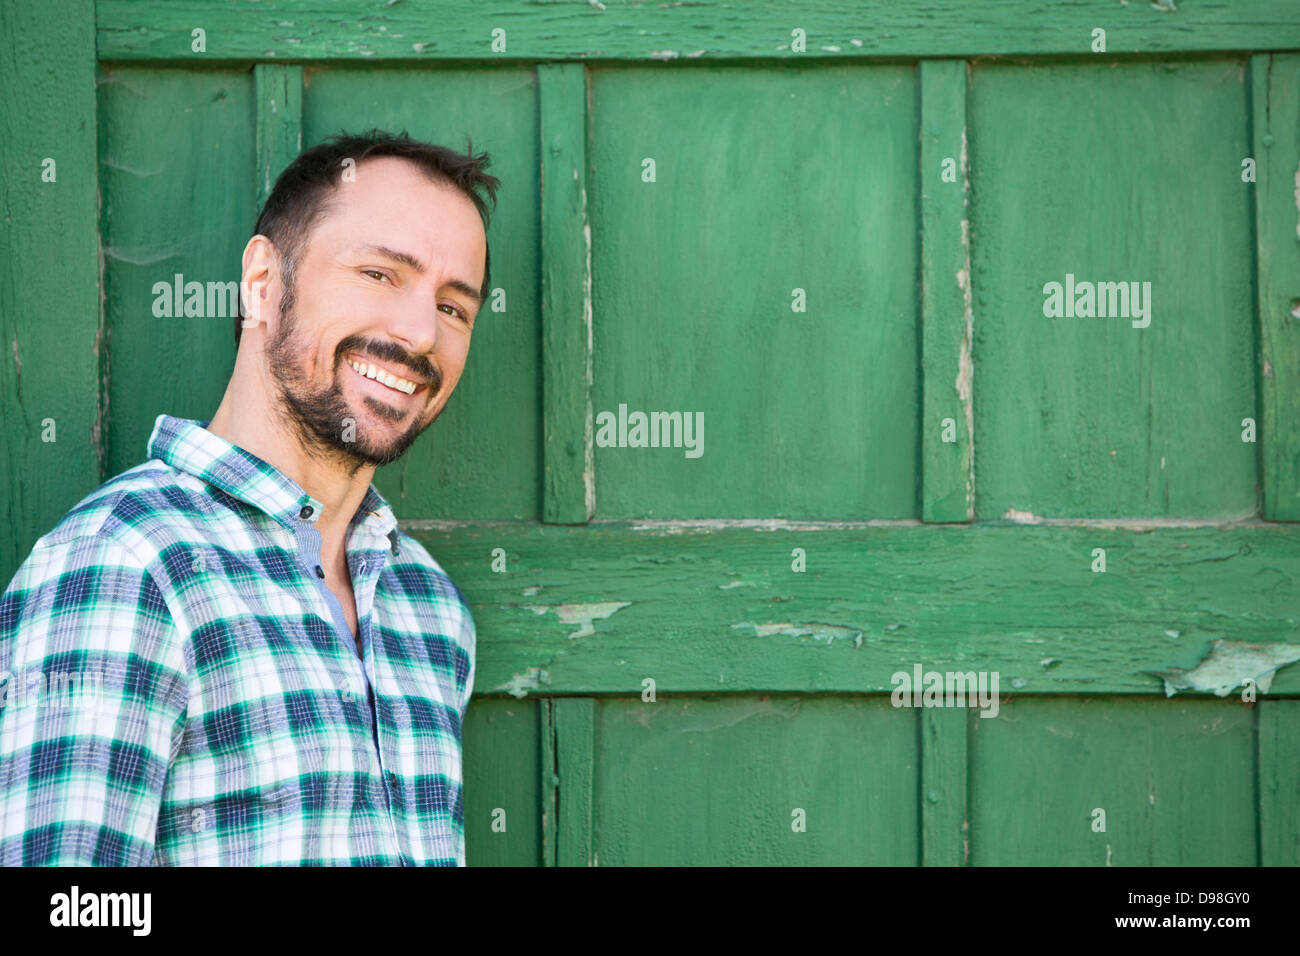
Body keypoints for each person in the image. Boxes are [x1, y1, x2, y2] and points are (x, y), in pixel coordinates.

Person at [0, 129, 500, 865]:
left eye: (454, 308)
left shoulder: (427, 606)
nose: (420, 333)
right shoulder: (127, 566)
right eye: (380, 274)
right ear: (264, 282)